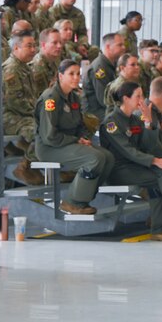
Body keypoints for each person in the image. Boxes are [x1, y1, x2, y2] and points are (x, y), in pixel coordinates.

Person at [101, 82, 162, 241]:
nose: (142, 100)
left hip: (137, 166)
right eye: (138, 96)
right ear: (126, 99)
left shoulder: (134, 119)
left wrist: (148, 123)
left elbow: (147, 145)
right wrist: (156, 161)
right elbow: (128, 151)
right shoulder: (111, 122)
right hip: (119, 170)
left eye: (142, 95)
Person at [35, 60, 115, 215]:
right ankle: (72, 202)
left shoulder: (73, 97)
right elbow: (49, 136)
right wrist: (76, 140)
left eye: (78, 74)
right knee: (95, 158)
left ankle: (84, 199)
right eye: (71, 74)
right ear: (60, 76)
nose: (76, 77)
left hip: (68, 144)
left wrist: (83, 138)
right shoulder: (51, 98)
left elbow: (80, 126)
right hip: (50, 148)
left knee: (108, 157)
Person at [4, 32, 44, 185]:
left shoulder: (24, 68)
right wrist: (38, 113)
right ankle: (24, 166)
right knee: (43, 129)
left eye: (34, 45)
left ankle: (29, 156)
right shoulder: (11, 69)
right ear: (16, 48)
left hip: (23, 114)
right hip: (10, 116)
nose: (33, 49)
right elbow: (15, 102)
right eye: (29, 46)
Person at [83, 32, 126, 118]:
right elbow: (104, 100)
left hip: (105, 110)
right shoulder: (100, 68)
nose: (124, 48)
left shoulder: (111, 64)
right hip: (95, 114)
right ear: (108, 47)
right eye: (120, 45)